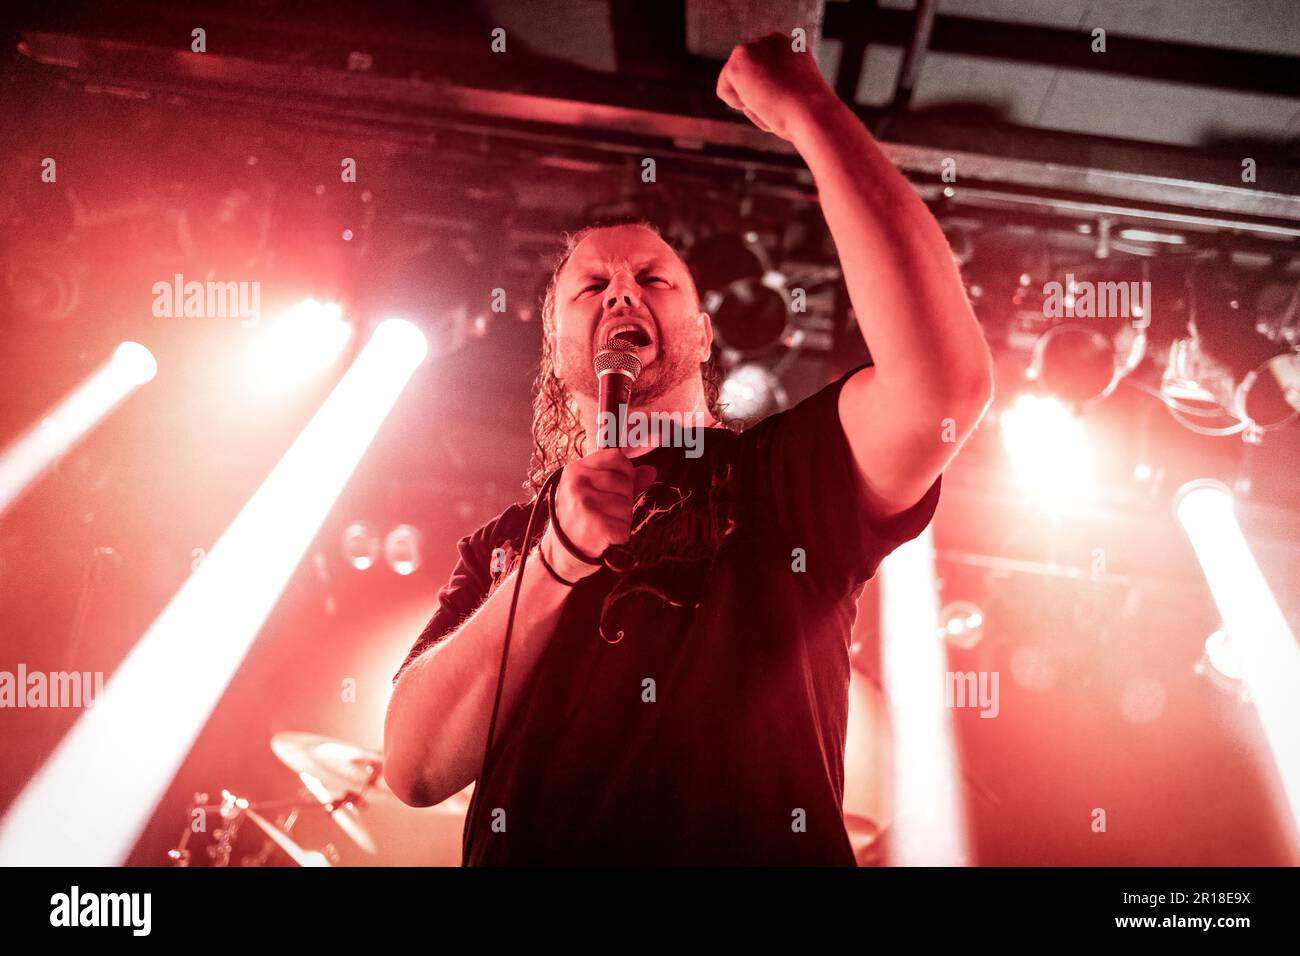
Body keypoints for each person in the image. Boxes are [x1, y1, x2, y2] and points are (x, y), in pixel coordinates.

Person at [384, 33, 993, 865]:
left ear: (705, 336)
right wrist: (555, 559)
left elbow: (942, 390)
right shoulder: (502, 547)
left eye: (654, 279)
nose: (623, 290)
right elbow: (414, 769)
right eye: (592, 287)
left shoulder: (783, 475)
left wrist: (813, 116)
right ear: (558, 347)